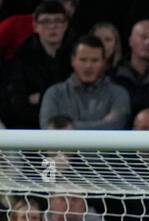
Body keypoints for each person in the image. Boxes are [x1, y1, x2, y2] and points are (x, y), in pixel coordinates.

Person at [1, 1, 72, 130]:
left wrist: (40, 97)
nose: (52, 26)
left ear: (66, 25)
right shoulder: (21, 58)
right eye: (45, 21)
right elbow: (17, 105)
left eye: (57, 21)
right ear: (35, 26)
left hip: (72, 129)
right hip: (31, 130)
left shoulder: (76, 56)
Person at [39, 33, 129, 129]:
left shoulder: (118, 94)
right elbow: (48, 129)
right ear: (72, 61)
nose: (88, 66)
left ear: (103, 62)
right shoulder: (54, 93)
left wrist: (69, 127)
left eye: (94, 60)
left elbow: (115, 126)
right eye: (83, 60)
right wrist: (102, 123)